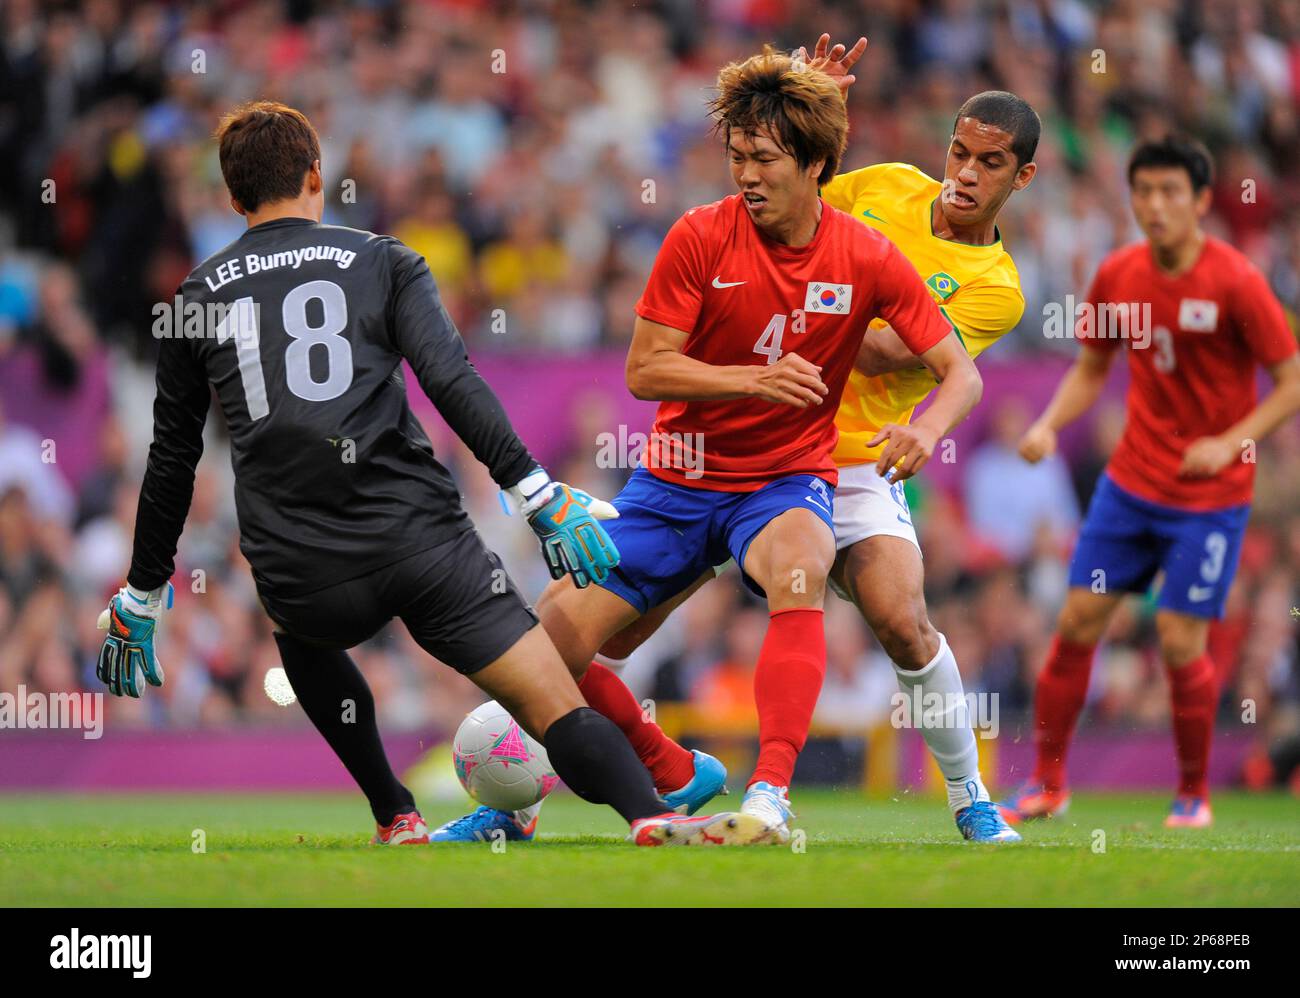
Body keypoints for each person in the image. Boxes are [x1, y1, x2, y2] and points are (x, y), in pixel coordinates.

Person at [94, 100, 765, 848]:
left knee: (300, 638)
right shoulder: (382, 259)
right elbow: (454, 381)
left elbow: (172, 457)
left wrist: (145, 591)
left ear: (232, 197)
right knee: (553, 703)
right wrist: (535, 494)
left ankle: (394, 813)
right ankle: (651, 815)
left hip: (301, 559)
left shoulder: (198, 297)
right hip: (421, 541)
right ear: (318, 176)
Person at [455, 35, 1037, 844]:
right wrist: (809, 99)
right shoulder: (845, 202)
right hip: (689, 473)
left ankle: (948, 796)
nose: (966, 173)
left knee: (897, 617)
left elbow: (904, 353)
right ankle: (594, 784)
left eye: (990, 162)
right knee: (555, 643)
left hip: (842, 460)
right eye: (959, 153)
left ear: (1021, 177)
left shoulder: (988, 286)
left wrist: (919, 423)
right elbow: (649, 364)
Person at [1002, 135, 1300, 828]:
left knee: (1177, 639)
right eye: (1145, 192)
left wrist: (1231, 442)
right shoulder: (1118, 274)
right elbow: (1090, 369)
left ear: (1200, 201)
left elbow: (1290, 381)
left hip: (1209, 500)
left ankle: (1193, 794)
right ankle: (1047, 783)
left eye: (1171, 193)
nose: (1156, 206)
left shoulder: (1236, 281)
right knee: (1076, 623)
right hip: (1131, 485)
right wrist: (1048, 425)